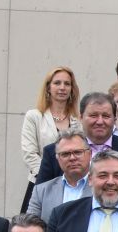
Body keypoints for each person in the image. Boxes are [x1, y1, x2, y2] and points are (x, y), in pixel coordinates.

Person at [35, 91, 118, 209]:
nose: (100, 121)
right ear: (81, 117)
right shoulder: (55, 152)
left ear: (114, 119)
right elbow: (40, 197)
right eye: (93, 115)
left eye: (106, 116)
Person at [20, 67, 80, 210]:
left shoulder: (77, 120)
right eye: (57, 83)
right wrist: (50, 177)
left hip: (70, 185)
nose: (62, 87)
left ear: (72, 89)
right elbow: (29, 154)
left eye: (67, 84)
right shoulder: (34, 116)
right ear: (48, 88)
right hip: (40, 183)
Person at [27, 130, 91, 225]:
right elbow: (29, 227)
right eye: (65, 154)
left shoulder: (102, 187)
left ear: (90, 154)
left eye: (78, 152)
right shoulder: (41, 191)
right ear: (57, 158)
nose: (72, 158)